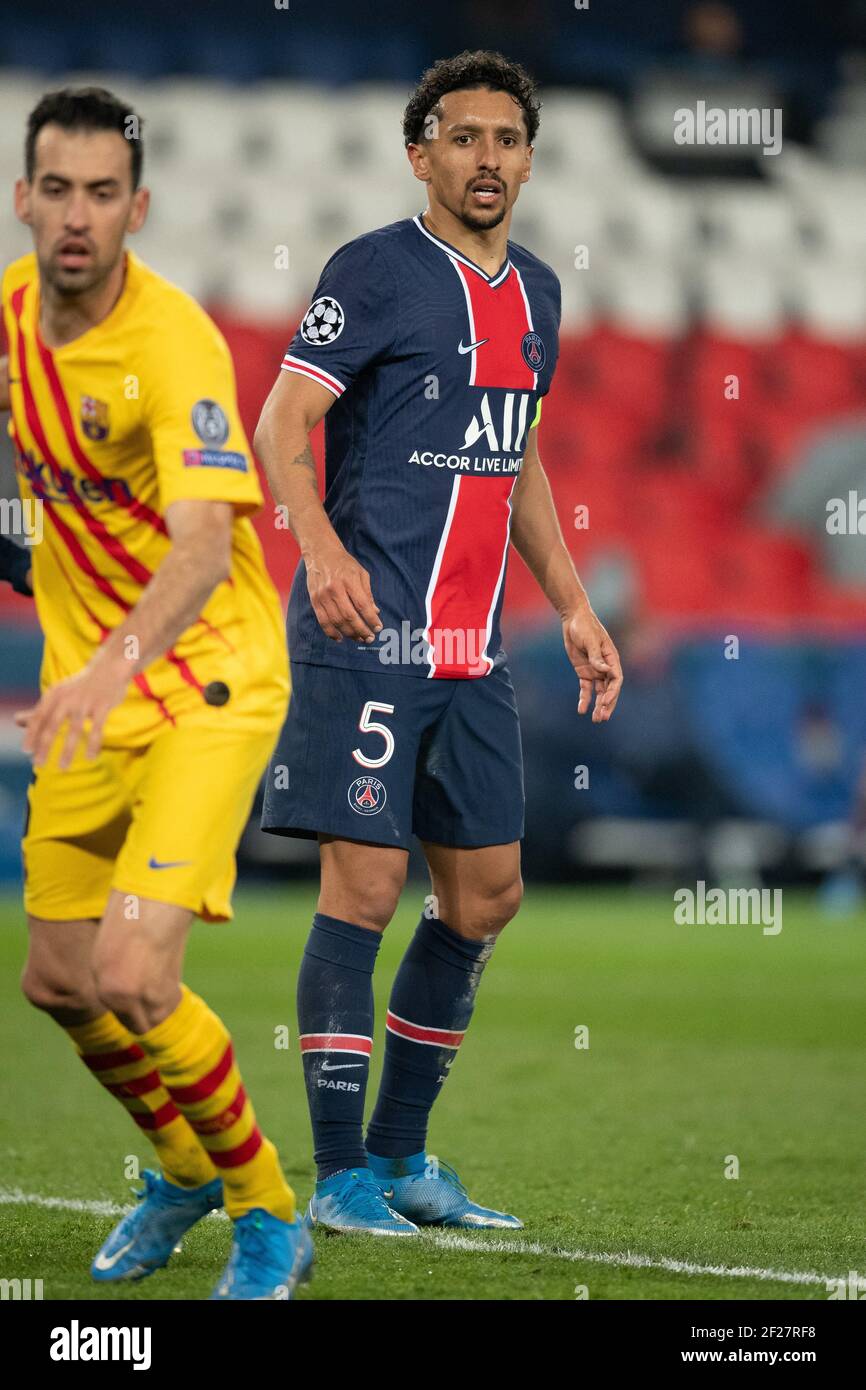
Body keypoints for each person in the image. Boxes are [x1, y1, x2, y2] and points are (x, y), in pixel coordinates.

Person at [255, 50, 623, 1235]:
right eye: (460, 138)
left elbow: (512, 459)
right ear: (420, 155)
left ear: (527, 157)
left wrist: (569, 601)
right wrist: (314, 542)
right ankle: (337, 1174)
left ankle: (403, 1155)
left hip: (473, 648)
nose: (485, 159)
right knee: (361, 888)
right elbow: (282, 423)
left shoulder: (540, 299)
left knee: (487, 897)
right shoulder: (372, 271)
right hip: (366, 635)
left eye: (505, 139)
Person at [0, 86, 311, 1298]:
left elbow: (196, 546)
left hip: (204, 681)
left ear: (140, 207)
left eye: (101, 194)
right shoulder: (17, 313)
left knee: (135, 976)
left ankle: (265, 1207)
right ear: (25, 199)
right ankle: (180, 1167)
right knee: (60, 984)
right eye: (56, 190)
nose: (77, 216)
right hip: (91, 686)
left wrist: (106, 666)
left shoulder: (172, 340)